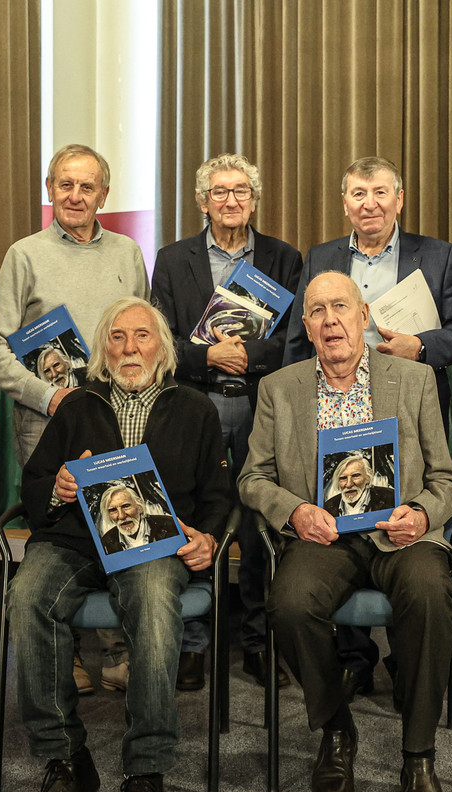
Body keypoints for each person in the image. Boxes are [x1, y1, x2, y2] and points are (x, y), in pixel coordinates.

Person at [240, 272, 452, 792]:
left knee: (431, 594)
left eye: (342, 306)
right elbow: (252, 478)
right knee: (288, 603)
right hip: (326, 535)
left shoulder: (412, 380)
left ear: (364, 316)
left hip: (400, 530)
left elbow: (448, 481)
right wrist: (294, 511)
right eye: (318, 310)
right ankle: (336, 728)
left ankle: (418, 759)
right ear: (307, 326)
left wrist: (421, 514)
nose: (331, 319)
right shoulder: (279, 387)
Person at [8, 297, 232, 792]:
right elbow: (33, 487)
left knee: (156, 601)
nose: (129, 348)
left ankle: (145, 772)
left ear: (164, 347)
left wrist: (207, 537)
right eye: (117, 338)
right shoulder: (77, 405)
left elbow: (220, 497)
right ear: (102, 349)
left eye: (142, 336)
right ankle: (65, 761)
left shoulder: (196, 408)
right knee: (28, 595)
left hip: (152, 545)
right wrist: (57, 489)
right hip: (74, 540)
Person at [281, 156, 452, 696]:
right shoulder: (320, 257)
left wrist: (423, 347)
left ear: (400, 198)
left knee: (402, 538)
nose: (369, 203)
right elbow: (301, 344)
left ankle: (408, 659)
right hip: (334, 413)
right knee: (341, 532)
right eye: (358, 194)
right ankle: (353, 655)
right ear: (345, 202)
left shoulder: (437, 256)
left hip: (406, 412)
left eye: (380, 192)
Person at [0, 143, 149, 694]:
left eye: (88, 186)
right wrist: (47, 397)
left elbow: (147, 337)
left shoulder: (128, 252)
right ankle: (70, 653)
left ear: (105, 194)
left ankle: (119, 648)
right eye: (65, 185)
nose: (76, 196)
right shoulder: (23, 255)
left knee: (121, 525)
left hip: (119, 422)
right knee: (58, 535)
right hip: (47, 421)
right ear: (50, 189)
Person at [152, 153, 303, 691]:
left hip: (264, 405)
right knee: (193, 517)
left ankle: (260, 643)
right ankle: (192, 644)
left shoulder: (285, 259)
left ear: (254, 200)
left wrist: (250, 356)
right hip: (197, 405)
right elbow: (160, 339)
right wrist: (208, 358)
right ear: (202, 202)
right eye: (220, 192)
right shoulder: (173, 260)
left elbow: (296, 339)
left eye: (242, 191)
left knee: (264, 525)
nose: (232, 201)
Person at [97, 483, 179, 554]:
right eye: (113, 510)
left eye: (126, 506)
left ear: (140, 507)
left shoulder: (169, 524)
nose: (121, 516)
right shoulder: (105, 543)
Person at [322, 454, 393, 517]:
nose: (349, 484)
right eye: (343, 478)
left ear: (368, 478)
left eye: (355, 476)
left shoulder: (391, 498)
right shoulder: (327, 508)